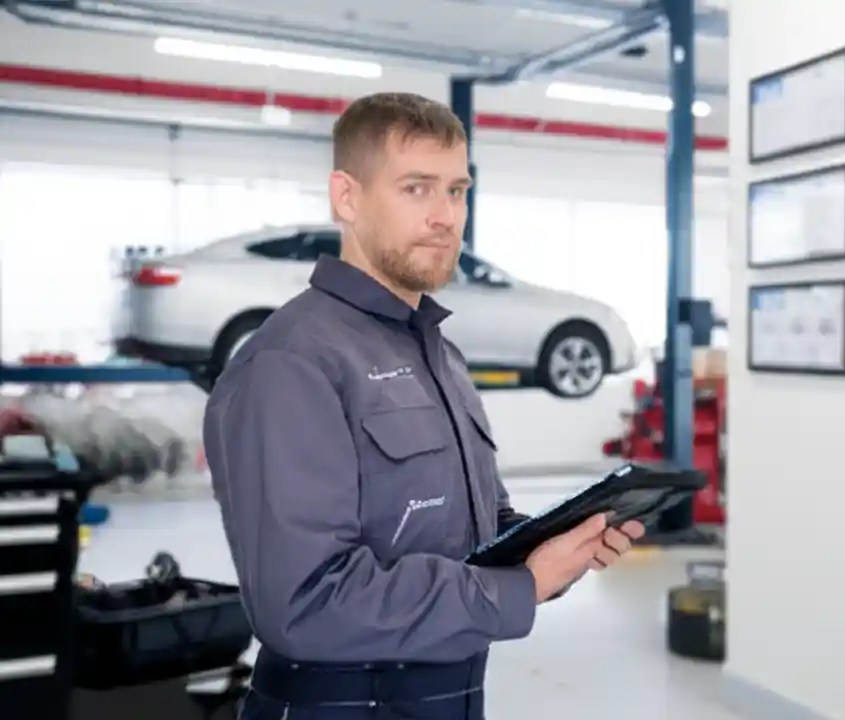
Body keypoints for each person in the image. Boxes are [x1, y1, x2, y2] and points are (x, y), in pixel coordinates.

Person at [202, 92, 646, 720]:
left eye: (457, 191)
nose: (445, 217)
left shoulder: (440, 355)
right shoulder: (292, 363)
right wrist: (519, 589)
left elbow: (466, 534)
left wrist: (551, 551)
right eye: (416, 189)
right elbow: (305, 603)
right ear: (347, 196)